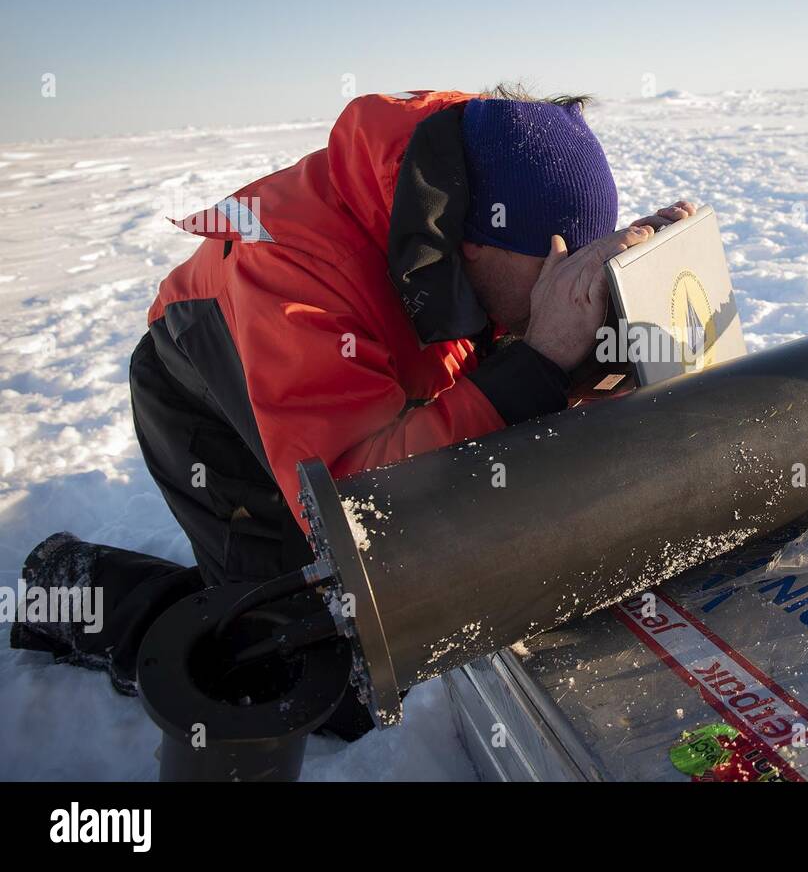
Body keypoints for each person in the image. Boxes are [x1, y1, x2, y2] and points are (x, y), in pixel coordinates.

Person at [12, 86, 695, 735]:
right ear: (473, 244)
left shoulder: (481, 172)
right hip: (213, 397)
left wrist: (604, 345)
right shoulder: (294, 268)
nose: (567, 277)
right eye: (558, 260)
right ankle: (76, 584)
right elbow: (358, 500)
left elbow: (519, 321)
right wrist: (540, 359)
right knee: (308, 661)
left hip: (374, 371)